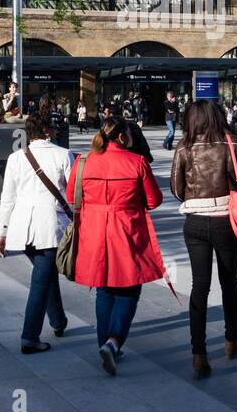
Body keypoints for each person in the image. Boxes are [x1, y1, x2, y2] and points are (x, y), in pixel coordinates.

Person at [66, 117, 166, 377]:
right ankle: (114, 342)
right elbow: (154, 201)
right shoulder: (137, 162)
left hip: (94, 231)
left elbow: (70, 197)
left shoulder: (83, 161)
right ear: (123, 137)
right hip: (126, 231)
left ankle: (105, 343)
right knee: (129, 289)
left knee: (104, 290)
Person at [171, 100, 237, 380]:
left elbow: (176, 188)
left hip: (194, 222)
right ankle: (231, 339)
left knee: (200, 287)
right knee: (228, 281)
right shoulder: (230, 142)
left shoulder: (183, 147)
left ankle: (199, 354)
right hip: (225, 222)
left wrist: (197, 198)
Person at [0, 113, 73, 354]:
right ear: (48, 131)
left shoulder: (16, 157)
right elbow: (73, 194)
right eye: (54, 127)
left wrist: (2, 233)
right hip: (50, 226)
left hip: (22, 227)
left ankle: (58, 321)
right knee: (41, 280)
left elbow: (8, 198)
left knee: (45, 274)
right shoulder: (63, 155)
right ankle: (29, 337)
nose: (56, 130)